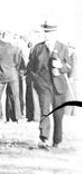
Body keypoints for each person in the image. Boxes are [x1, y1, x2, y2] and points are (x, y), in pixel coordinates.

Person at [27, 20, 73, 149]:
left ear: (55, 33)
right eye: (46, 32)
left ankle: (57, 140)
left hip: (59, 86)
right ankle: (44, 138)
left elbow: (69, 66)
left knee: (58, 114)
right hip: (43, 85)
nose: (48, 35)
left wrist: (60, 67)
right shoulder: (37, 48)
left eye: (51, 32)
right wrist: (37, 81)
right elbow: (31, 67)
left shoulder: (63, 47)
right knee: (45, 111)